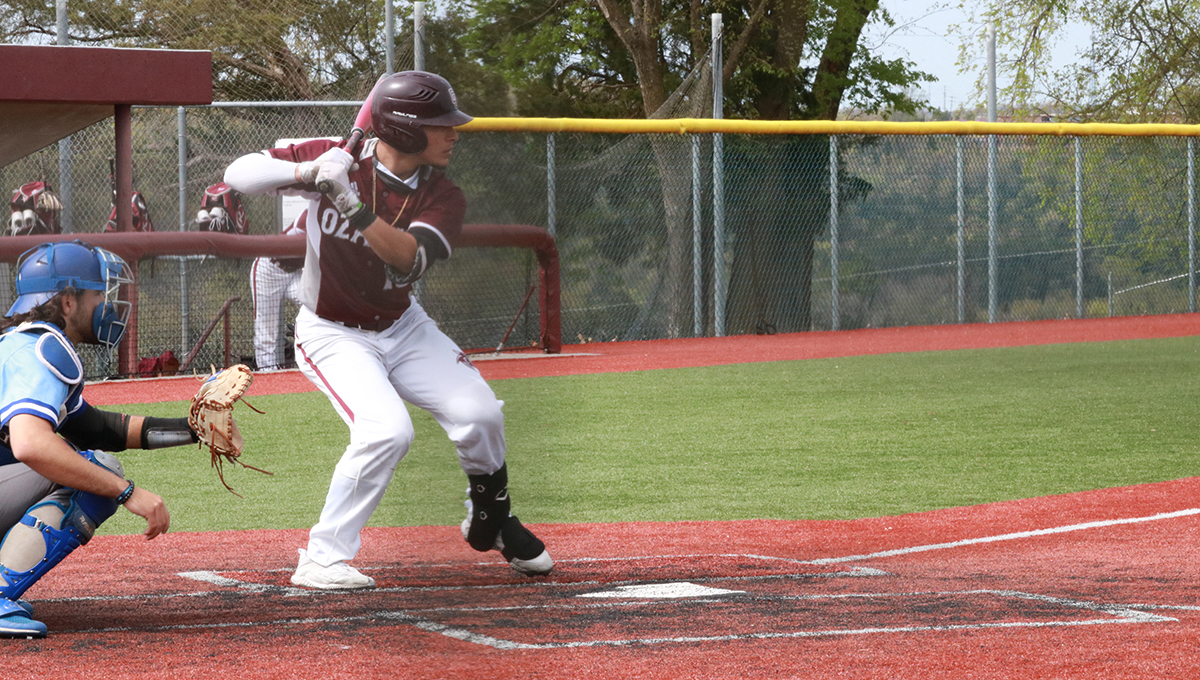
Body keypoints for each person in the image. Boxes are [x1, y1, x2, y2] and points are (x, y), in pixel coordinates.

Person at [224, 70, 552, 589]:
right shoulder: (336, 154)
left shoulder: (444, 195)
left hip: (403, 325)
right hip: (331, 330)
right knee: (386, 431)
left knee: (481, 412)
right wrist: (314, 169)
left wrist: (351, 204)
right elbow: (238, 173)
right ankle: (322, 557)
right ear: (404, 129)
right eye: (441, 125)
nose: (454, 134)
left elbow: (409, 260)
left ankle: (492, 516)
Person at [0, 241, 200, 638]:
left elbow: (99, 428)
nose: (106, 305)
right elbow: (31, 444)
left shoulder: (21, 343)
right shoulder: (43, 348)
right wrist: (126, 492)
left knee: (85, 457)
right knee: (96, 472)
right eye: (97, 294)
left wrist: (192, 429)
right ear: (68, 301)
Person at [250, 212, 305, 372]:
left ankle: (311, 362)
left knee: (316, 307)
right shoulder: (309, 216)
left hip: (296, 271)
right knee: (266, 329)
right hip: (271, 269)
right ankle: (268, 374)